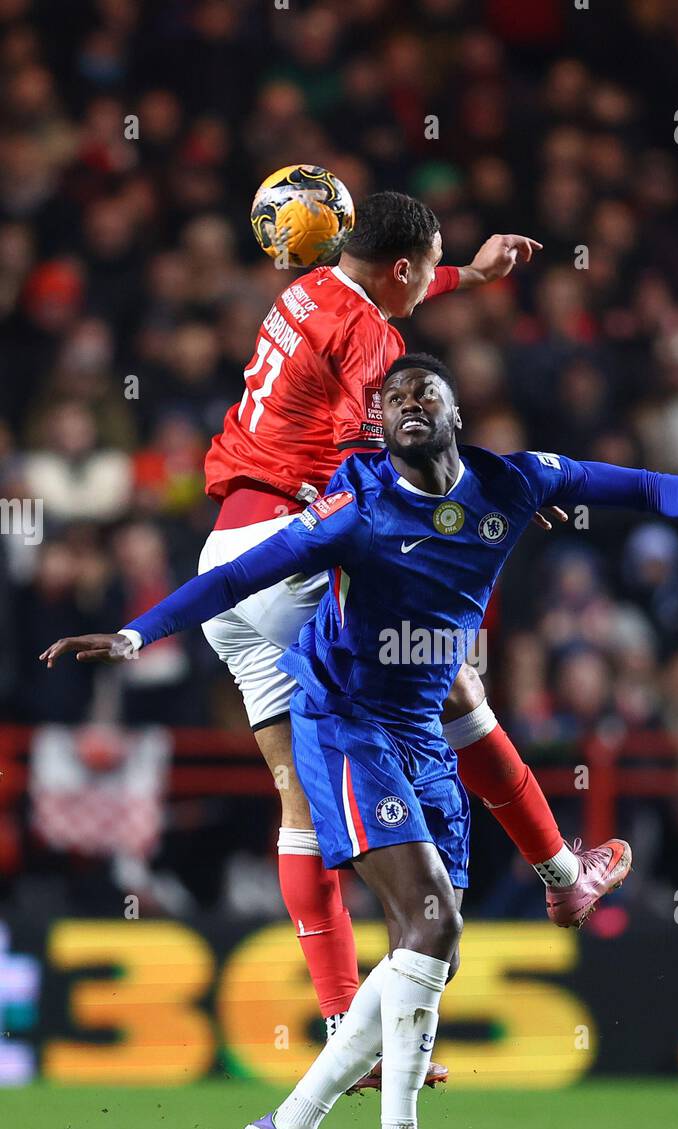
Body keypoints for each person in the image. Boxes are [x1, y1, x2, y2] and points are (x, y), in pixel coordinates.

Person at [41, 355, 678, 1129]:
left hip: (419, 732)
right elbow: (236, 579)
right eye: (392, 397)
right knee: (433, 923)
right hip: (346, 725)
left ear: (456, 410)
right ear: (381, 422)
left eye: (423, 393)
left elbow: (637, 486)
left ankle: (295, 1126)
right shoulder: (356, 506)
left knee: (430, 946)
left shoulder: (514, 482)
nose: (407, 403)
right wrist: (137, 634)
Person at [193, 189, 593, 1077]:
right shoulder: (379, 339)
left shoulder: (304, 293)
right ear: (402, 268)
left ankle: (344, 1024)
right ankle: (561, 875)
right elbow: (390, 442)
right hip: (289, 552)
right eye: (435, 262)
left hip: (225, 561)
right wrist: (501, 491)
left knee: (298, 799)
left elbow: (380, 291)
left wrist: (469, 273)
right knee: (451, 682)